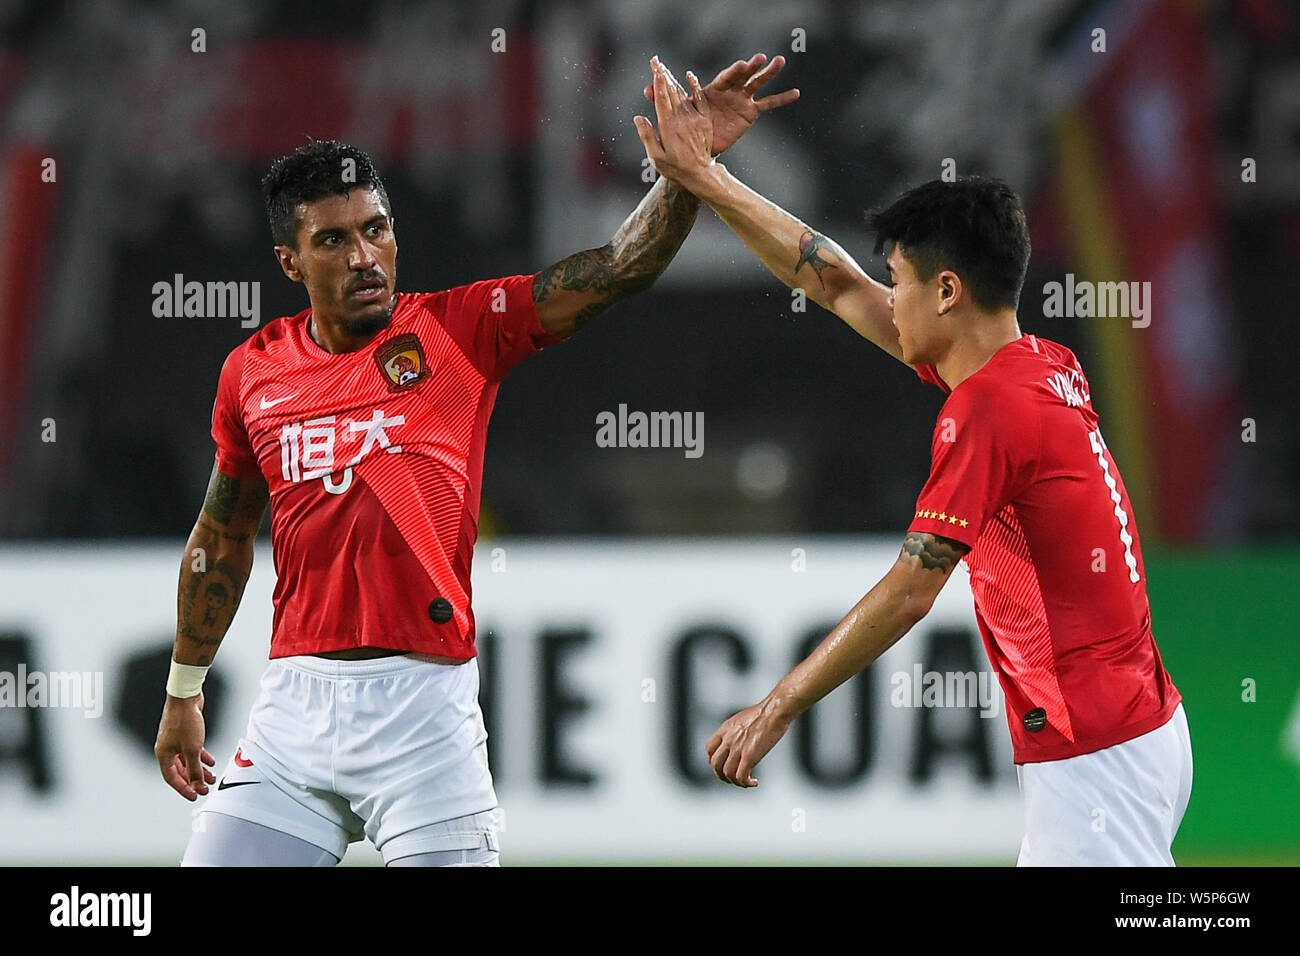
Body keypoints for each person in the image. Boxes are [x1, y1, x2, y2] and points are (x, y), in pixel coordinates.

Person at [155, 54, 798, 867]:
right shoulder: (253, 372)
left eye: (376, 230)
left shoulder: (459, 330)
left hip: (424, 723)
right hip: (292, 717)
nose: (364, 256)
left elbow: (617, 267)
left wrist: (686, 173)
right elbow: (221, 536)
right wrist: (184, 690)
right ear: (291, 262)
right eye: (333, 240)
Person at [634, 61, 1192, 866]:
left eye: (897, 281)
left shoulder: (989, 409)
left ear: (948, 291)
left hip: (1095, 751)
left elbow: (911, 589)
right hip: (1140, 726)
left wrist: (778, 705)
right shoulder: (1041, 366)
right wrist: (706, 177)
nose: (886, 297)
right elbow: (834, 284)